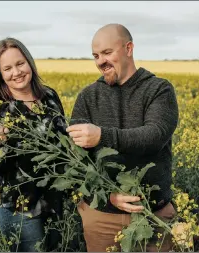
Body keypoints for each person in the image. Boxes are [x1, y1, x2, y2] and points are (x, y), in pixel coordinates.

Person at [66, 24, 180, 252]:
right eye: (96, 56)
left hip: (153, 216)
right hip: (101, 218)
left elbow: (155, 135)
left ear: (128, 48)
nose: (101, 61)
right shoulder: (88, 96)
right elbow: (76, 161)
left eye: (107, 53)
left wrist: (102, 136)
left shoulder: (159, 90)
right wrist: (109, 197)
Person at [0, 37, 67, 252]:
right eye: (7, 68)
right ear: (0, 74)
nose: (16, 72)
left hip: (55, 201)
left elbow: (64, 142)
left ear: (29, 62)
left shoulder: (49, 96)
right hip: (20, 208)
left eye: (20, 64)